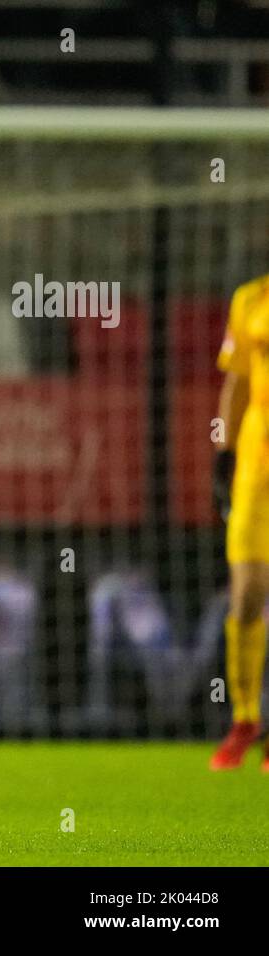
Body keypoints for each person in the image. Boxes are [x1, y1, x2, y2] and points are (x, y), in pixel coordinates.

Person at [210, 275, 269, 770]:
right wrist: (222, 457)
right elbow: (237, 380)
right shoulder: (252, 298)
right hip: (256, 463)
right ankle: (245, 717)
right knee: (248, 591)